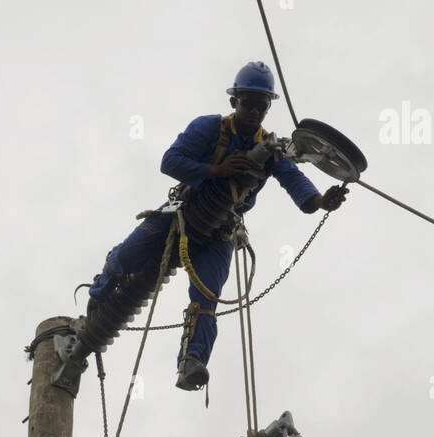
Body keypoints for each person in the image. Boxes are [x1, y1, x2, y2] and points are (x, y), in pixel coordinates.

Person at [87, 61, 348, 392]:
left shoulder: (272, 149)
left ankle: (192, 361)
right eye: (247, 103)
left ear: (268, 106)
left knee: (206, 298)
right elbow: (170, 161)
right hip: (183, 212)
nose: (253, 111)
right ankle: (100, 291)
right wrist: (216, 170)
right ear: (233, 102)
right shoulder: (208, 129)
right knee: (128, 256)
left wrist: (322, 202)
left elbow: (296, 184)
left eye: (261, 105)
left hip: (220, 231)